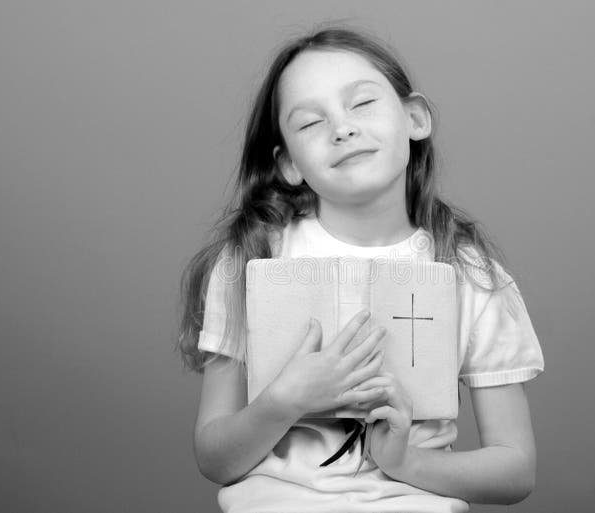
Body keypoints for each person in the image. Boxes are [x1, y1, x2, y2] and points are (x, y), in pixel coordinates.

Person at [177, 25, 545, 512]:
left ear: (414, 118)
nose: (342, 128)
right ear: (288, 163)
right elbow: (215, 458)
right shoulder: (251, 259)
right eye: (310, 122)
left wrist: (406, 462)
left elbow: (515, 469)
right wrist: (285, 401)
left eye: (363, 103)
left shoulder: (468, 272)